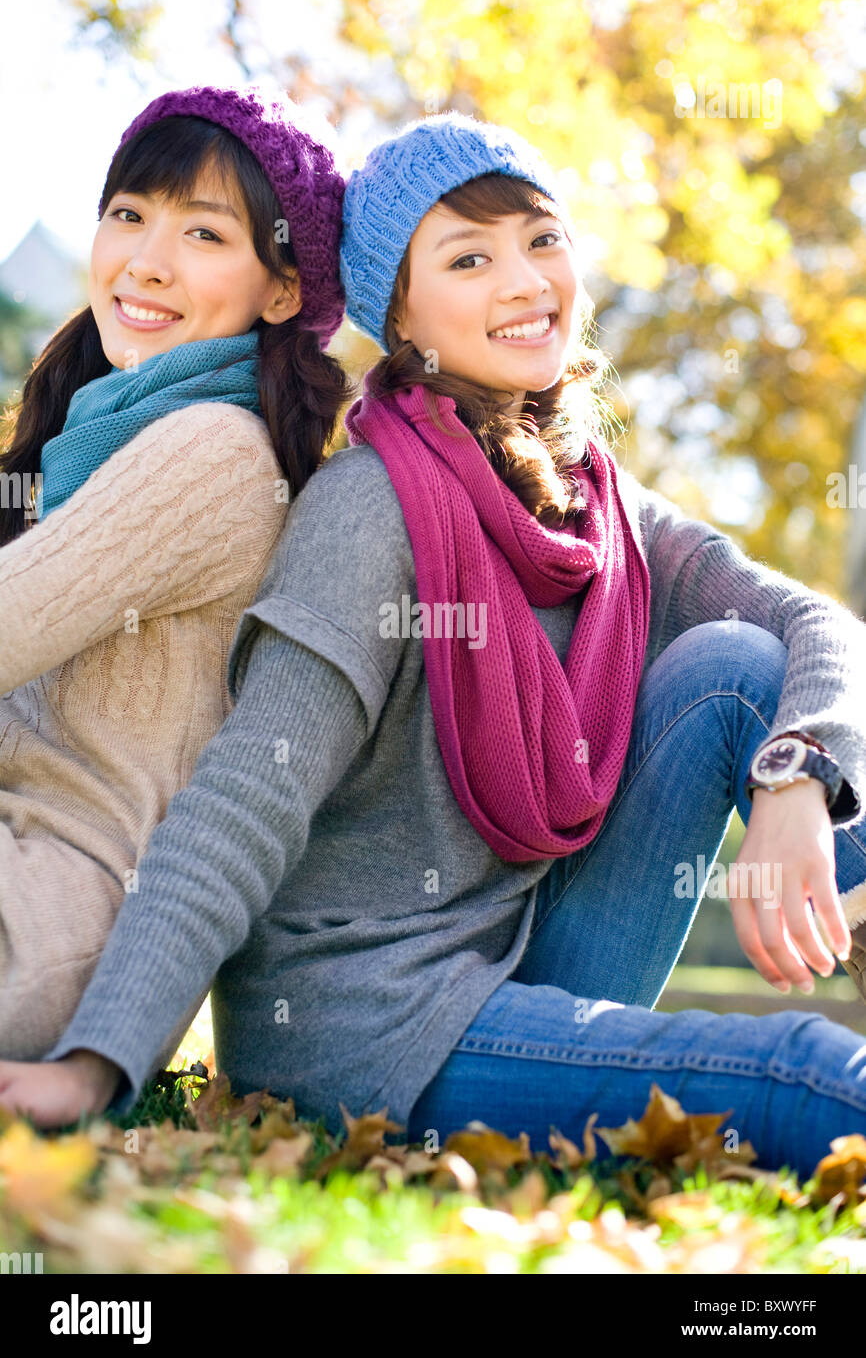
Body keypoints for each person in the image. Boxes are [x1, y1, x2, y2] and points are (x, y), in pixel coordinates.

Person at [3, 113, 866, 1180]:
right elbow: (244, 795)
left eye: (540, 240)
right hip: (367, 1028)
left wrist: (795, 780)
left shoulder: (596, 498)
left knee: (734, 669)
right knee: (802, 1072)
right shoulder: (368, 509)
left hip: (520, 953)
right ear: (402, 318)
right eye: (468, 257)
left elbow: (819, 625)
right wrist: (98, 1061)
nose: (522, 281)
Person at [0, 84, 350, 1062]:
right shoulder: (98, 429)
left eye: (202, 234)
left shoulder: (214, 449)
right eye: (128, 215)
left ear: (280, 289)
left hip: (46, 921)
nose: (145, 262)